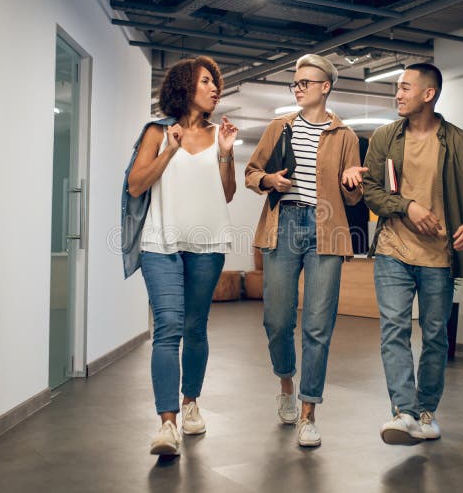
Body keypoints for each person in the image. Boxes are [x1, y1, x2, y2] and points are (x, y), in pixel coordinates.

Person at [362, 63, 463, 444]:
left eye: (405, 87)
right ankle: (403, 412)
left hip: (439, 257)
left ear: (428, 93)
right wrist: (408, 207)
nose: (398, 94)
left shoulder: (461, 143)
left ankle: (425, 412)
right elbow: (372, 190)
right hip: (392, 249)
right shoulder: (385, 138)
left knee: (435, 336)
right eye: (397, 87)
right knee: (394, 330)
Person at [245, 54, 367, 447]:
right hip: (283, 225)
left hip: (326, 229)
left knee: (318, 325)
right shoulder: (279, 127)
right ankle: (286, 385)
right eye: (295, 83)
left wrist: (351, 183)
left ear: (325, 87)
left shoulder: (346, 136)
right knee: (277, 320)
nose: (298, 88)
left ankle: (309, 411)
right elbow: (251, 173)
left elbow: (354, 197)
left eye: (305, 83)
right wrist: (270, 180)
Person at [124, 56, 237, 456]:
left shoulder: (219, 134)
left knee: (195, 326)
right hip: (161, 243)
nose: (214, 88)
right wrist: (169, 151)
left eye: (215, 83)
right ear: (185, 86)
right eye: (206, 81)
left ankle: (191, 403)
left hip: (208, 245)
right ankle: (167, 424)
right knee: (168, 327)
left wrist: (226, 153)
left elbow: (227, 193)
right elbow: (136, 186)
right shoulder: (157, 132)